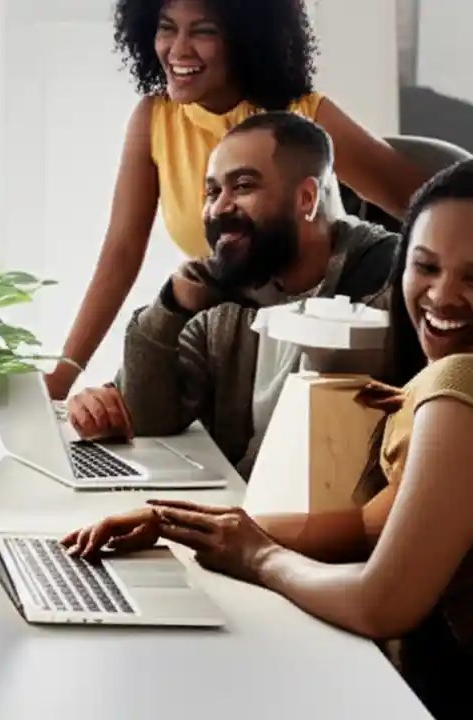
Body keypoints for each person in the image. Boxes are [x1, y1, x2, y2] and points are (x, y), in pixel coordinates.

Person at [61, 159, 473, 719]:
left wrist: (260, 558)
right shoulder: (442, 385)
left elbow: (382, 605)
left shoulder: (458, 385)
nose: (443, 297)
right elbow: (367, 527)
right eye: (425, 266)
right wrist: (177, 525)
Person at [44, 0, 427, 400]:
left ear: (245, 38)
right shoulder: (154, 118)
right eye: (167, 28)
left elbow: (433, 208)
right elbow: (120, 254)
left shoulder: (302, 118)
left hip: (319, 352)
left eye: (203, 31)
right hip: (225, 350)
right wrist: (60, 379)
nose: (178, 49)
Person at [66, 112, 399, 478]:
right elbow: (151, 417)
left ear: (306, 198)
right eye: (212, 192)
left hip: (325, 527)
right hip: (236, 514)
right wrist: (171, 306)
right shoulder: (229, 288)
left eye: (242, 186)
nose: (220, 208)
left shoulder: (386, 287)